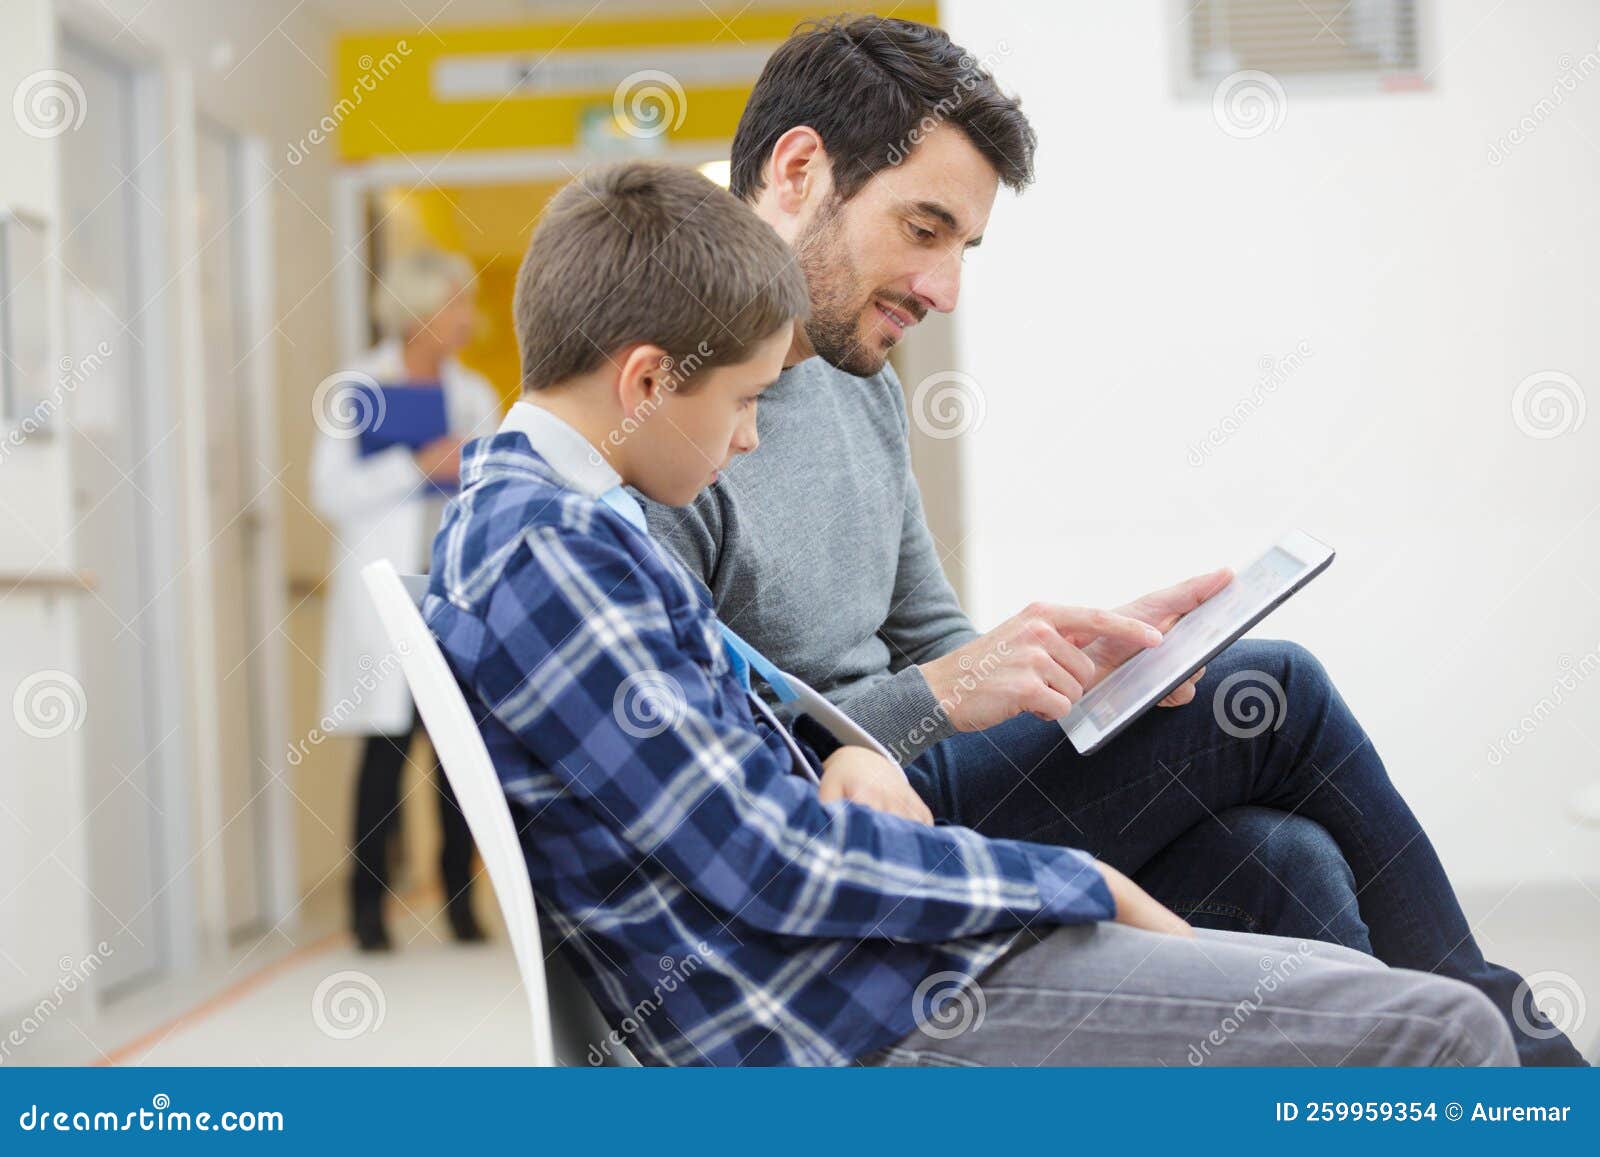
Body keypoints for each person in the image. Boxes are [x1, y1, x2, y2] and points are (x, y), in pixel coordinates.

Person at [640, 15, 1587, 1066]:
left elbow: (934, 641)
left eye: (964, 246)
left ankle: (1415, 1099)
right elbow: (709, 758)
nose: (944, 288)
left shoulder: (857, 381)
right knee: (1274, 695)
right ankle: (1532, 1075)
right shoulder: (667, 416)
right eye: (923, 229)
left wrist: (1068, 677)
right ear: (799, 169)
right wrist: (942, 694)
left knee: (1277, 858)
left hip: (926, 778)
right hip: (837, 817)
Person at [425, 158, 1514, 1067]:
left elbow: (741, 749)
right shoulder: (556, 553)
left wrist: (840, 753)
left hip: (854, 963)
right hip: (846, 1013)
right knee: (1442, 1024)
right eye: (747, 401)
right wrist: (1077, 882)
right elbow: (774, 863)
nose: (751, 438)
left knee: (1297, 885)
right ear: (649, 382)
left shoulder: (554, 513)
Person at [311, 247, 499, 951]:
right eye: (457, 304)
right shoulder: (357, 384)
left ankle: (461, 904)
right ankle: (367, 912)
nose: (467, 318)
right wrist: (416, 465)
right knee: (384, 759)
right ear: (422, 308)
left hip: (449, 594)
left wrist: (462, 469)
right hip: (384, 600)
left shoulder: (473, 392)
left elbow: (496, 487)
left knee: (457, 760)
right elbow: (330, 489)